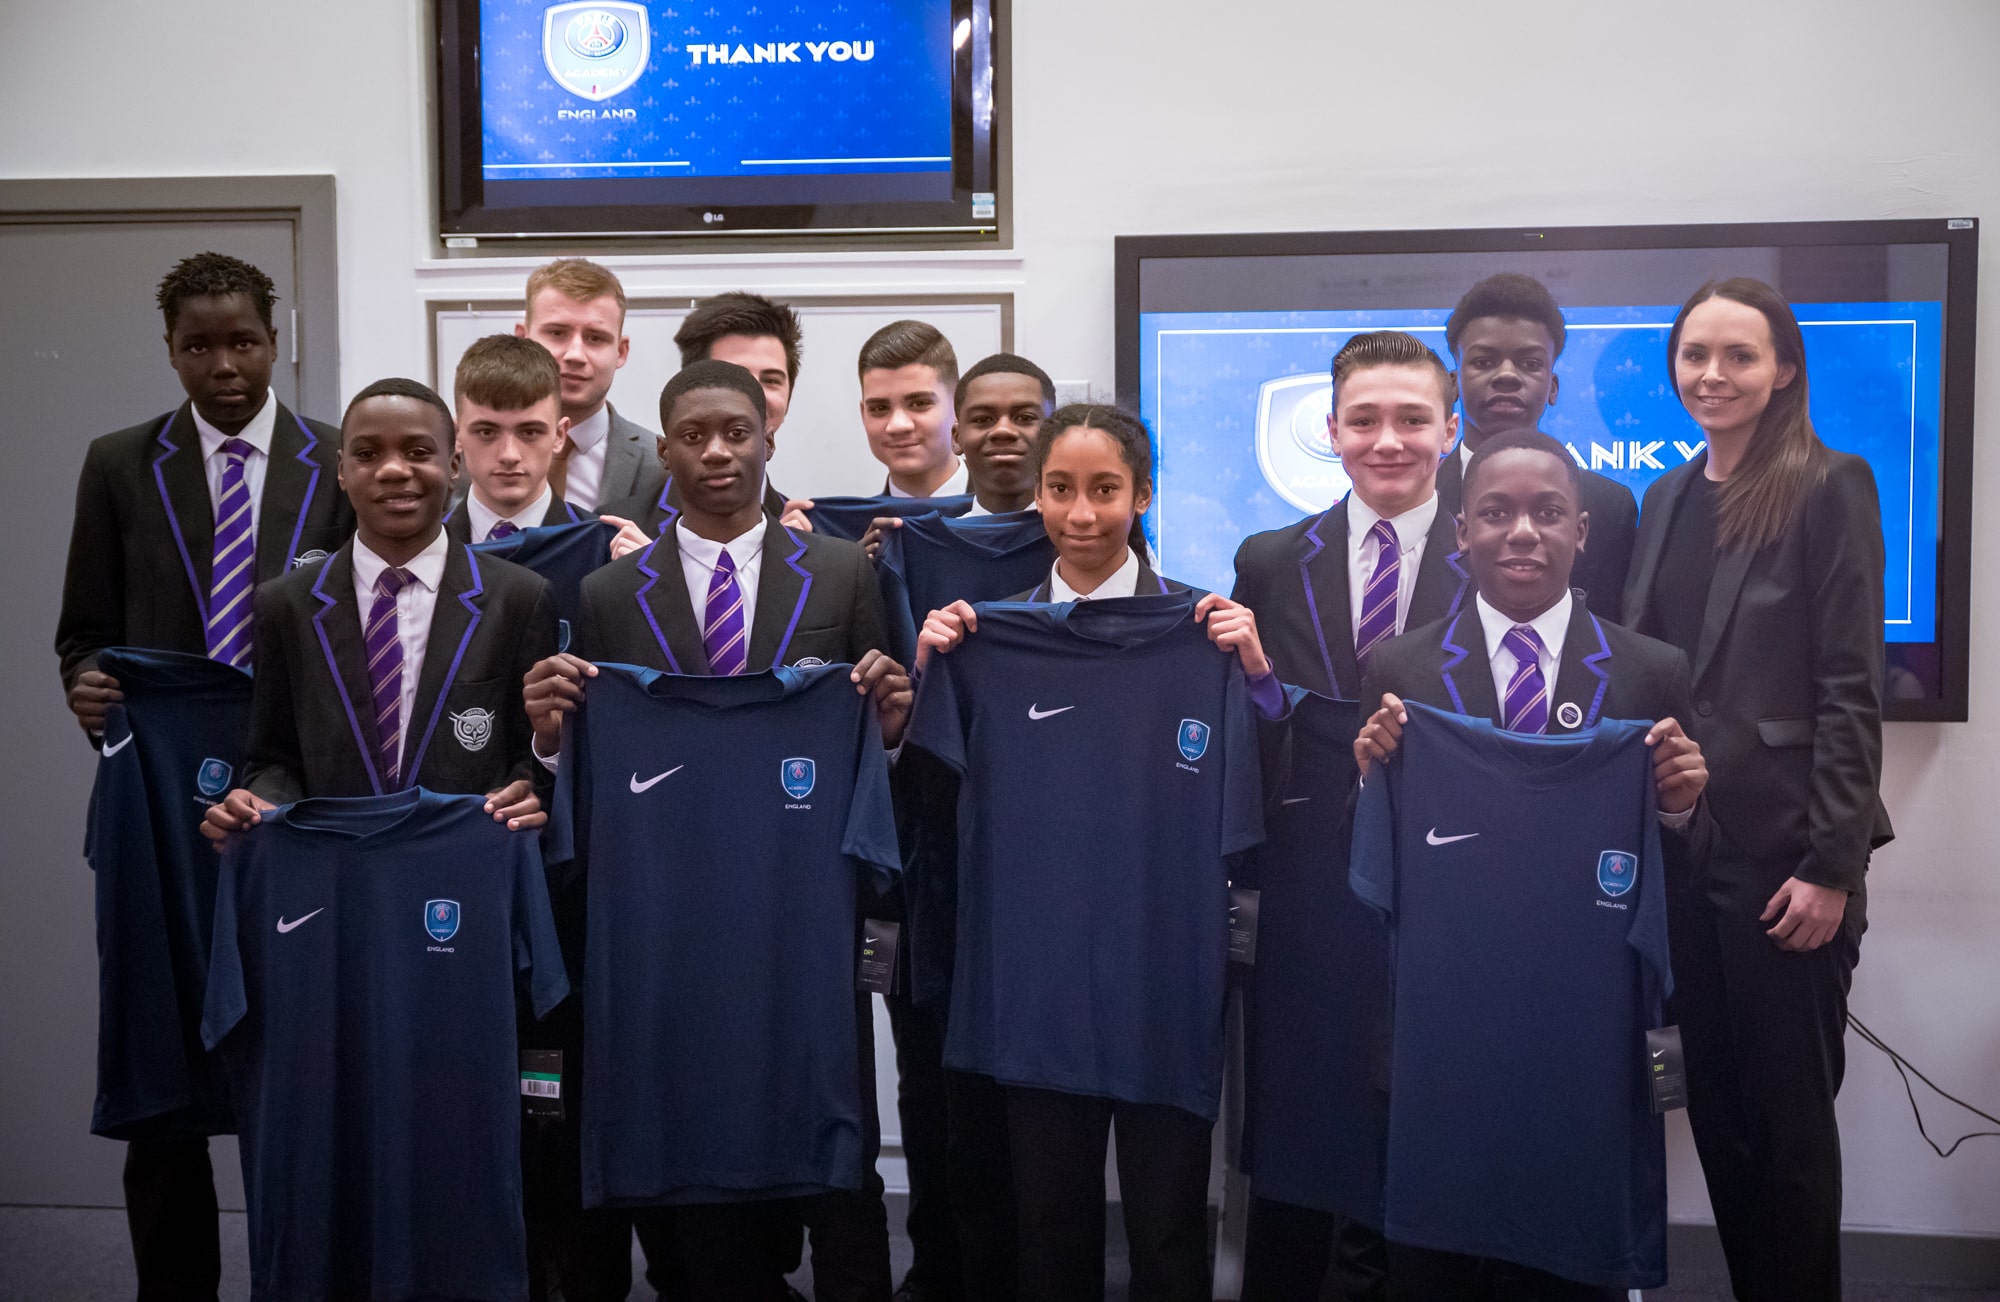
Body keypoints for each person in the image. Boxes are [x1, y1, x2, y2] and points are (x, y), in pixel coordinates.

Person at [523, 359, 910, 1301]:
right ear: (665, 452)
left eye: (736, 431)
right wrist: (545, 741)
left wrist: (890, 728)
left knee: (836, 1146)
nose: (717, 452)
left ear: (767, 438)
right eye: (694, 436)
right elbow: (595, 759)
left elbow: (879, 745)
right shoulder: (609, 598)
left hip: (802, 915)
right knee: (693, 1142)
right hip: (673, 918)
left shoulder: (841, 572)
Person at [914, 404, 1282, 1302]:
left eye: (1106, 490)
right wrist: (932, 669)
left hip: (1163, 974)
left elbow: (1269, 797)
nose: (1082, 514)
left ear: (1143, 495)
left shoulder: (1205, 635)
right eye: (1061, 490)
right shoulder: (982, 641)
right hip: (1036, 981)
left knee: (1165, 1230)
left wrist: (1260, 676)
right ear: (1035, 498)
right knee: (1050, 1226)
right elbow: (928, 797)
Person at [53, 249, 353, 1298]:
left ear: (276, 342)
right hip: (158, 802)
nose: (224, 364)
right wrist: (87, 686)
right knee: (164, 1053)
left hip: (296, 799)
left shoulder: (337, 462)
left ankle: (305, 1271)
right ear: (171, 351)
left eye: (243, 341)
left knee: (300, 1051)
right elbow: (83, 633)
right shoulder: (118, 463)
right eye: (199, 345)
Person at [1353, 428, 1710, 1300]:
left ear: (1581, 532)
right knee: (1438, 1259)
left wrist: (1681, 805)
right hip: (1449, 1018)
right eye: (1498, 512)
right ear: (1463, 531)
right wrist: (1365, 780)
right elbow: (1366, 863)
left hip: (1582, 1026)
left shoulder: (1649, 670)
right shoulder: (1400, 670)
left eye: (1547, 513)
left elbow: (1682, 867)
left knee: (1568, 1258)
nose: (1523, 532)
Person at [1621, 277, 1891, 1302]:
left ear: (1782, 369)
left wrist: (1831, 870)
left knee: (1785, 1132)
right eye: (1694, 355)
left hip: (1786, 864)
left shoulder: (1829, 484)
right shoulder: (1664, 497)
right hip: (1681, 853)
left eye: (1737, 356)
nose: (1712, 375)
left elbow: (1848, 690)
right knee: (1721, 1119)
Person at [1226, 330, 1468, 1302]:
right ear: (1326, 430)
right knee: (1295, 1104)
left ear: (1448, 430)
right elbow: (1245, 722)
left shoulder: (1493, 548)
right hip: (1305, 879)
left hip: (1445, 875)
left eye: (1411, 418)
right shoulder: (1270, 558)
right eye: (1362, 418)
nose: (1387, 439)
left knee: (1419, 1107)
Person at [199, 378, 554, 824]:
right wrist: (261, 800)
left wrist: (525, 787)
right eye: (367, 455)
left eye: (418, 452)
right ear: (341, 470)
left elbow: (531, 753)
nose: (392, 470)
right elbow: (273, 759)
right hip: (335, 867)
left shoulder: (519, 598)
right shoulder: (285, 604)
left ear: (455, 464)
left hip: (462, 867)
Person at [1440, 273, 1638, 621]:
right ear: (1453, 383)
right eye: (1483, 362)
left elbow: (1616, 642)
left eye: (1530, 363)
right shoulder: (1419, 498)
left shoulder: (1610, 507)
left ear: (1553, 386)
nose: (1506, 375)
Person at [597, 290, 798, 542]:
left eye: (771, 380)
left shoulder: (809, 535)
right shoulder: (618, 528)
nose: (755, 394)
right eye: (735, 376)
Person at [515, 258, 663, 512]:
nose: (575, 354)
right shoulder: (467, 455)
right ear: (522, 339)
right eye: (557, 333)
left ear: (621, 351)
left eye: (595, 338)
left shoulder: (662, 465)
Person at [445, 334, 587, 543]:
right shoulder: (420, 551)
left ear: (559, 435)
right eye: (487, 432)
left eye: (529, 432)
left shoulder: (603, 551)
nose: (509, 455)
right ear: (457, 436)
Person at [861, 321, 966, 499]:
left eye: (919, 404)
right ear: (863, 415)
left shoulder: (1022, 512)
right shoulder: (851, 525)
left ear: (958, 406)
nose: (897, 425)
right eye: (879, 408)